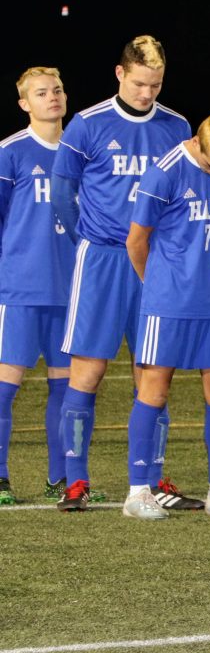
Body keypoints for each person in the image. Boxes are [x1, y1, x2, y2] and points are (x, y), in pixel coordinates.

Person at [50, 36, 197, 512]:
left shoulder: (176, 126)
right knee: (87, 373)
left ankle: (153, 480)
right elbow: (61, 191)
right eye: (138, 83)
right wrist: (87, 241)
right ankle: (76, 481)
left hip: (154, 263)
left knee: (153, 373)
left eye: (155, 84)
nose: (146, 93)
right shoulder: (88, 124)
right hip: (101, 261)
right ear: (119, 74)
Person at [121, 112, 210, 520]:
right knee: (154, 393)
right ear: (200, 141)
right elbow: (136, 241)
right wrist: (159, 286)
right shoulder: (165, 172)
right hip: (169, 303)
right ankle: (138, 492)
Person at [0, 68, 75, 505]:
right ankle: (1, 478)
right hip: (22, 291)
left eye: (58, 90)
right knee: (5, 388)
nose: (53, 98)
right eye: (42, 93)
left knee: (65, 390)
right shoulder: (11, 152)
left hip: (71, 291)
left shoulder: (80, 151)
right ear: (25, 103)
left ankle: (61, 479)